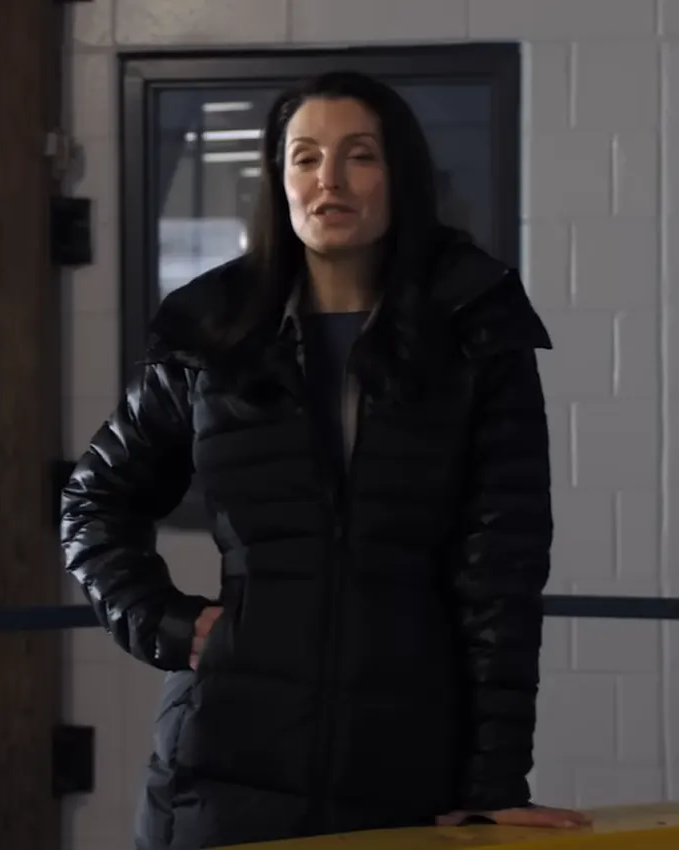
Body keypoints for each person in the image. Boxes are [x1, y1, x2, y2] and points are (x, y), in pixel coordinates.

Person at [61, 71, 590, 850]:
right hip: (220, 765)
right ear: (280, 180)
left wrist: (494, 782)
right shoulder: (213, 330)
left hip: (406, 760)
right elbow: (93, 502)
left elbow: (501, 573)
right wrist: (164, 621)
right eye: (305, 157)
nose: (328, 179)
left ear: (399, 175)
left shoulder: (475, 329)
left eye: (359, 156)